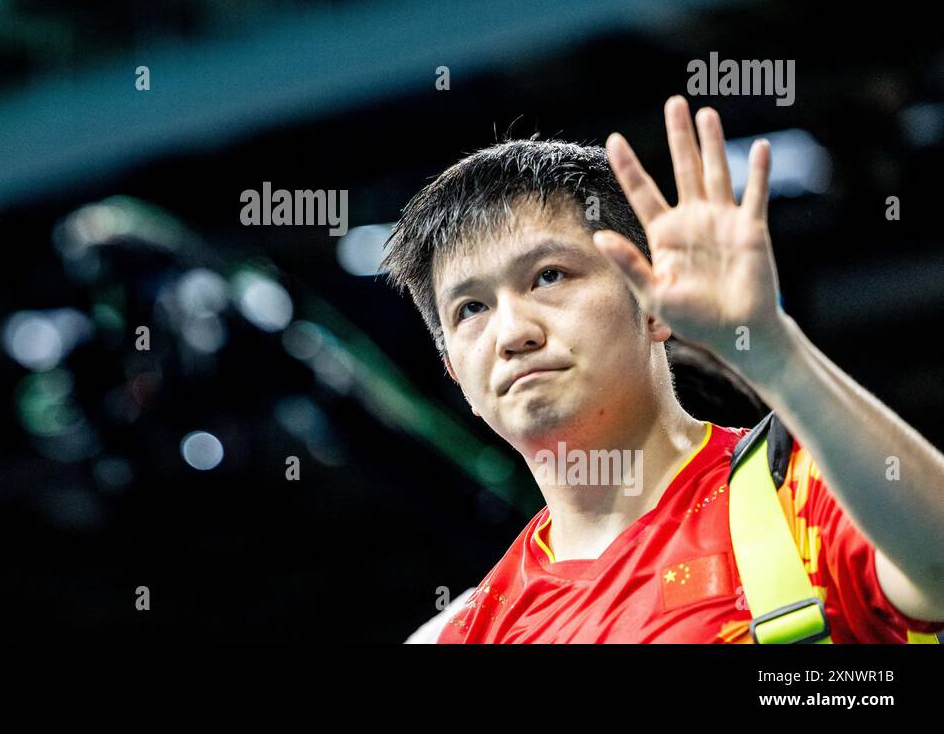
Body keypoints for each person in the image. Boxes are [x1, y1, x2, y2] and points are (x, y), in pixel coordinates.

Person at [385, 96, 944, 643]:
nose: (512, 333)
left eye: (549, 276)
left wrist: (771, 350)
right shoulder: (466, 634)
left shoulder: (804, 497)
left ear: (651, 301)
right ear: (453, 371)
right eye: (471, 309)